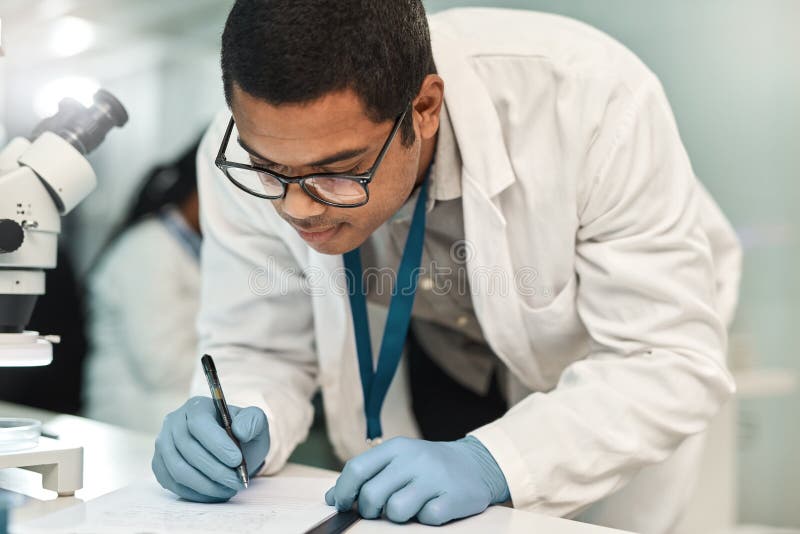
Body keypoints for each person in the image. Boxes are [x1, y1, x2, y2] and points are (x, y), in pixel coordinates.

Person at [151, 2, 742, 532]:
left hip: (601, 381)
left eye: (338, 171)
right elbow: (260, 349)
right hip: (431, 360)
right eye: (269, 169)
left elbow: (663, 357)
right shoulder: (241, 154)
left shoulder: (589, 100)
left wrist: (493, 462)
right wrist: (245, 413)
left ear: (425, 107)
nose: (294, 206)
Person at [83, 140, 202, 434]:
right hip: (128, 430)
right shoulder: (149, 249)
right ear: (200, 191)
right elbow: (163, 367)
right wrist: (244, 359)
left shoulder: (188, 249)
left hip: (161, 423)